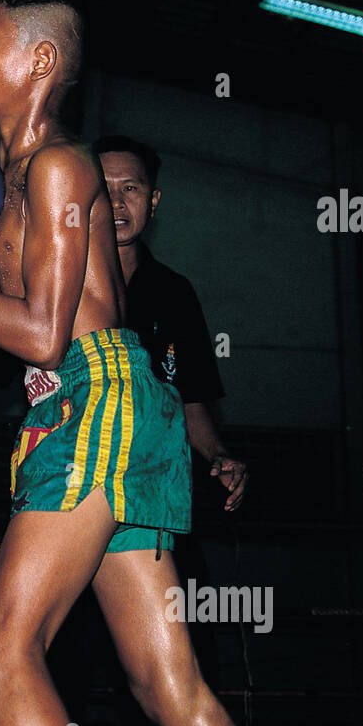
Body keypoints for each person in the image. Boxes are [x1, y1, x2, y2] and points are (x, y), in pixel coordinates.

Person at [0, 0, 258, 726]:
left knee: (1, 644)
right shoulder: (8, 178)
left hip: (95, 396)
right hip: (90, 411)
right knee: (166, 685)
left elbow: (46, 338)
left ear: (40, 59)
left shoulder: (54, 167)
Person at [95, 134, 247, 510]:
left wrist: (217, 455)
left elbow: (189, 399)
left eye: (130, 188)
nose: (116, 202)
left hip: (153, 487)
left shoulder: (174, 292)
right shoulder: (54, 280)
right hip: (69, 479)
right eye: (103, 188)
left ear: (153, 201)